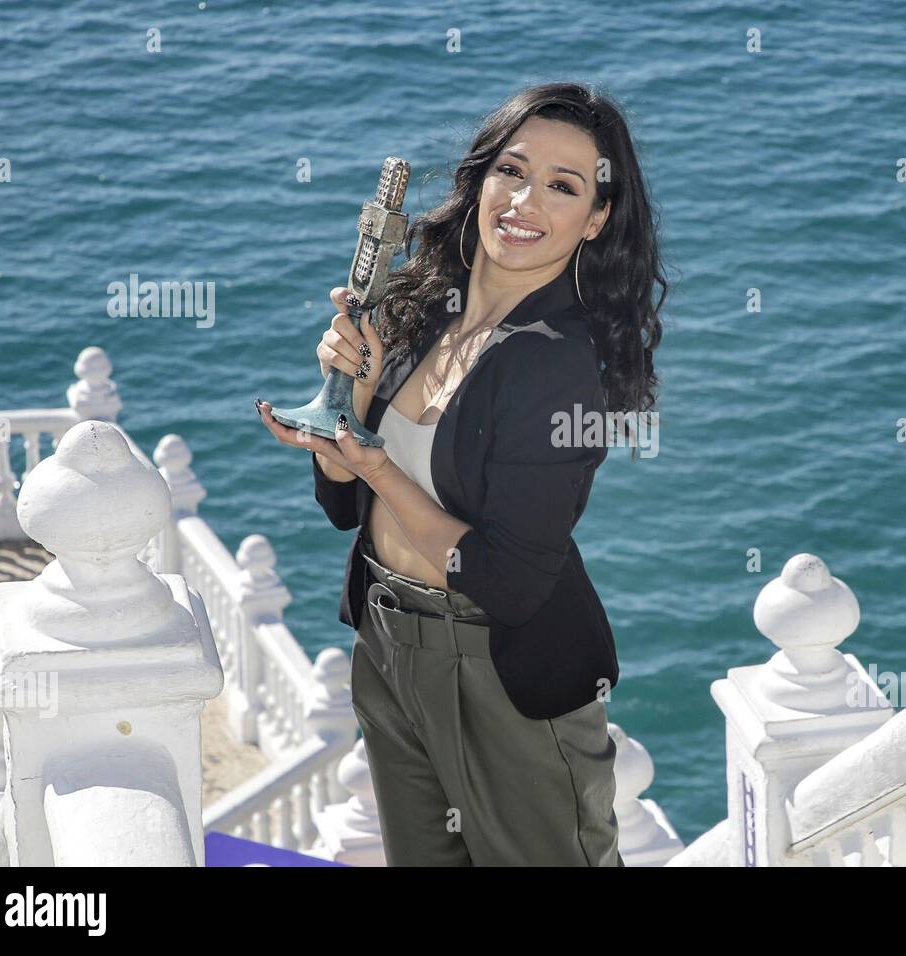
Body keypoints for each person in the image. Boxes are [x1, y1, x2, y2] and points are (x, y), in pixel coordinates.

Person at [257, 81, 666, 865]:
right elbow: (344, 507)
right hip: (387, 642)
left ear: (597, 218)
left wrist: (376, 466)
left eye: (563, 186)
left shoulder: (559, 364)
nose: (525, 200)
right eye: (512, 171)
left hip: (501, 671)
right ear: (480, 179)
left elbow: (505, 580)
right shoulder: (422, 308)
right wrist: (352, 395)